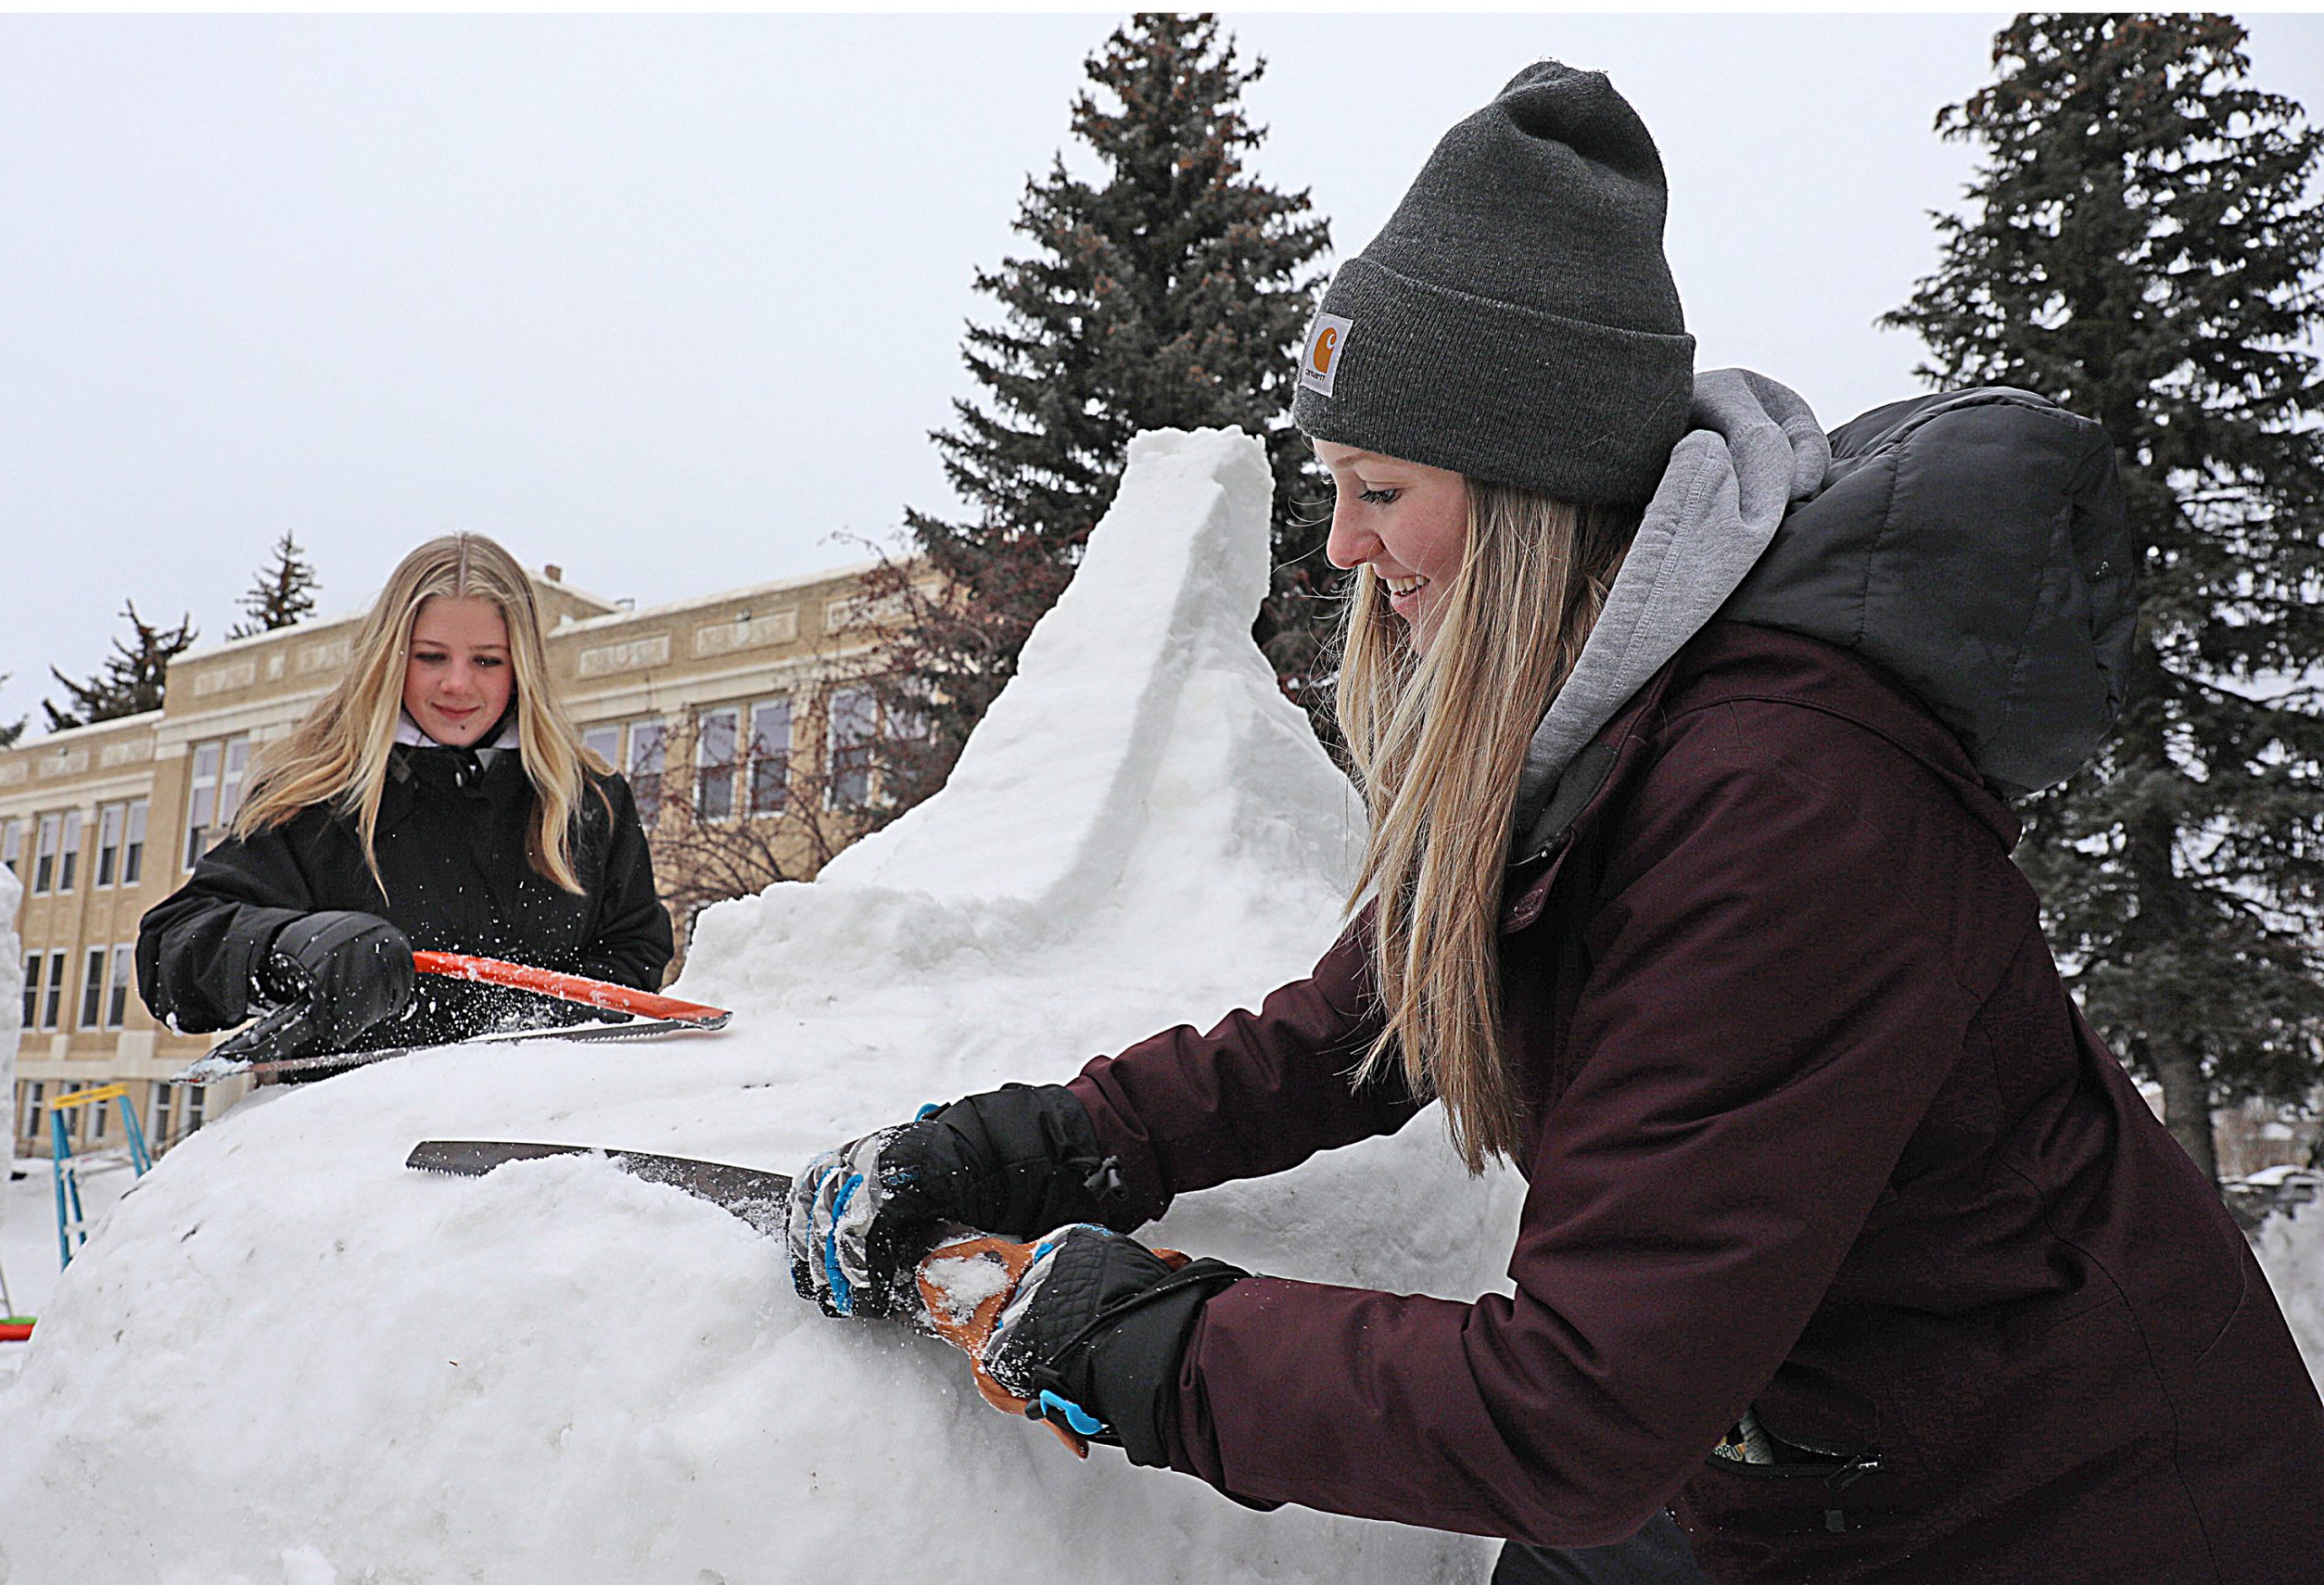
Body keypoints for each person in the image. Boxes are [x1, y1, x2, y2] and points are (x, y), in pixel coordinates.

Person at [788, 61, 2324, 1585]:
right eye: (1331, 482)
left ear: (1532, 493)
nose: (1342, 541)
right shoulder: (1596, 743)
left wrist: (1130, 1336)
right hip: (1792, 1464)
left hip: (2053, 1514)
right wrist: (1040, 1145)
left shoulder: (1782, 802)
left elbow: (1576, 1412)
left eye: (1381, 483)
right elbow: (1360, 1031)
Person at [138, 533, 673, 1067]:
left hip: (538, 1126)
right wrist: (290, 946)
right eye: (431, 657)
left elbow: (634, 950)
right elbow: (172, 954)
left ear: (523, 667)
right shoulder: (316, 795)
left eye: (487, 661)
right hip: (349, 1130)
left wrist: (537, 1037)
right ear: (391, 657)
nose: (457, 684)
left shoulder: (589, 802)